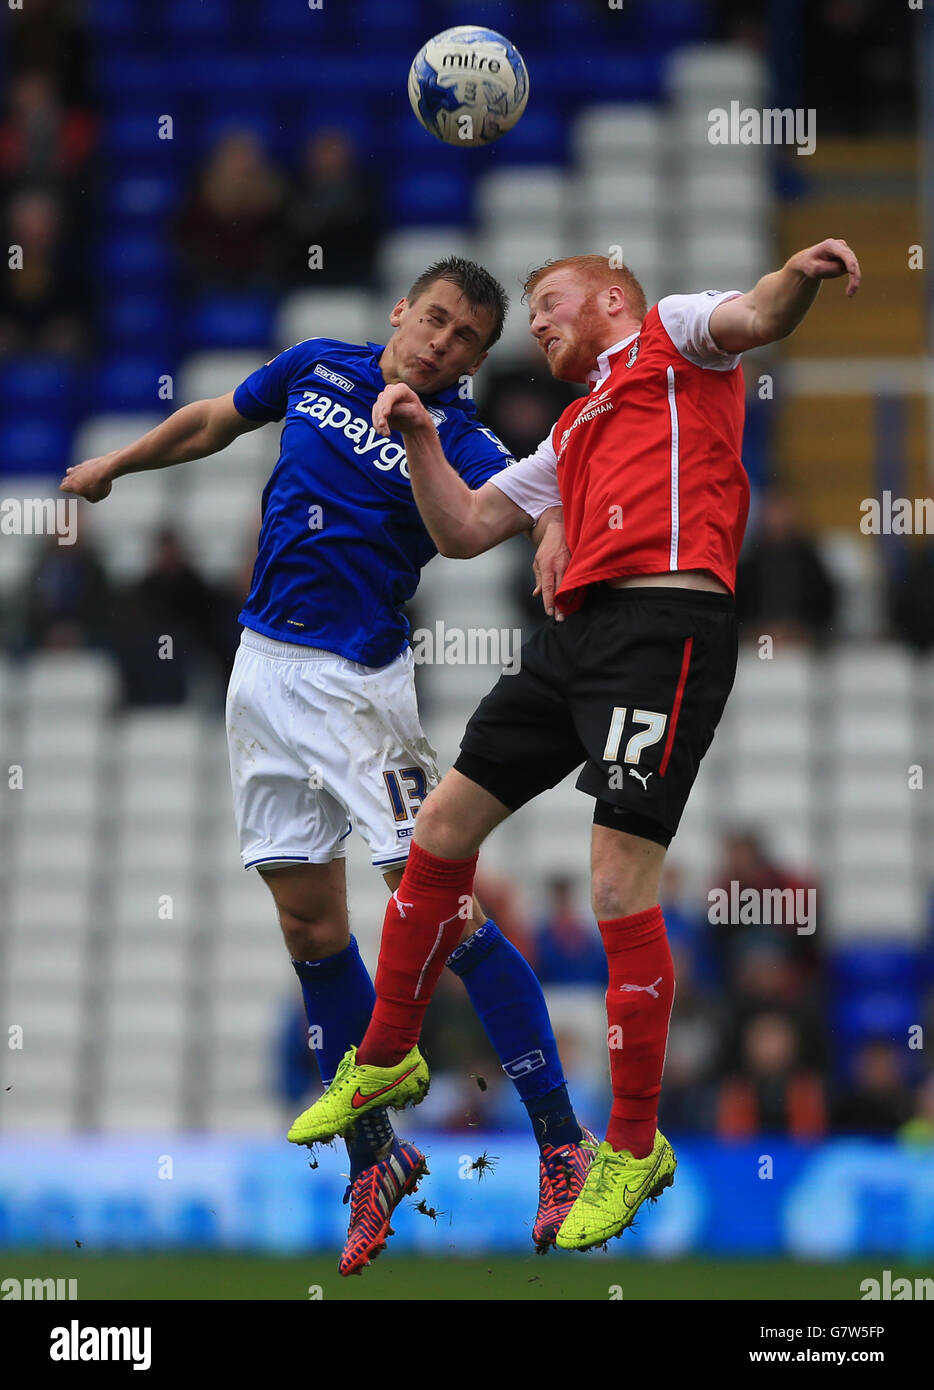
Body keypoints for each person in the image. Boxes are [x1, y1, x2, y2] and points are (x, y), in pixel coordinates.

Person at [286, 237, 862, 1251]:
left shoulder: (674, 335)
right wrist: (420, 432)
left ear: (610, 295)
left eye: (550, 302)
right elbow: (464, 527)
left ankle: (631, 1146)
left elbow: (759, 317)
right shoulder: (571, 428)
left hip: (663, 628)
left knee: (613, 884)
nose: (536, 322)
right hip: (574, 637)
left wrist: (798, 277)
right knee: (442, 824)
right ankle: (384, 1054)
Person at [59, 258, 593, 1274]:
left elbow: (531, 489)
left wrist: (557, 528)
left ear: (475, 363)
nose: (440, 343)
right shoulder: (317, 368)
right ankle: (376, 1160)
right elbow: (216, 416)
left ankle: (561, 1141)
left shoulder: (454, 436)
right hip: (257, 674)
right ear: (400, 310)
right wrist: (117, 463)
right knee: (309, 926)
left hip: (356, 688)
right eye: (432, 319)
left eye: (464, 341)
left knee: (441, 907)